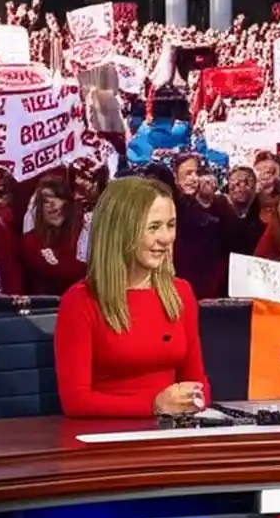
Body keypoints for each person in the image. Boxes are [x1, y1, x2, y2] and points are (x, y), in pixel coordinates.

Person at [54, 177, 210, 418]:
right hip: (107, 435)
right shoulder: (81, 301)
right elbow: (76, 401)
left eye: (170, 225)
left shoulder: (181, 293)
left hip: (172, 432)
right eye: (153, 227)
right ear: (121, 231)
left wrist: (193, 400)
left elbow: (198, 383)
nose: (166, 238)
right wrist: (154, 406)